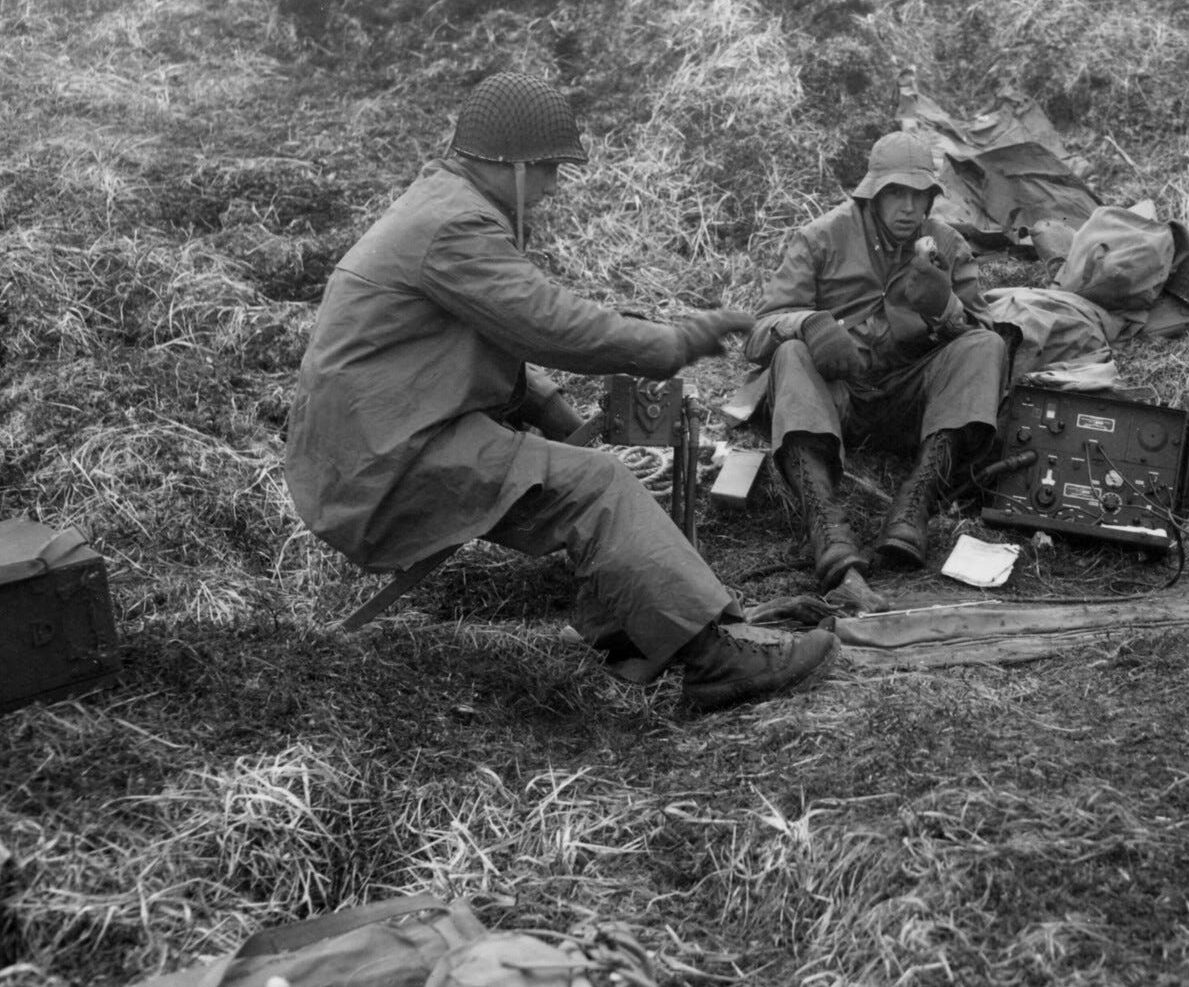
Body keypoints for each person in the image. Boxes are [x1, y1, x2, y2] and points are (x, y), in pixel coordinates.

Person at [284, 70, 838, 712]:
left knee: (584, 479)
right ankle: (713, 659)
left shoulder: (440, 207)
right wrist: (671, 343)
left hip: (379, 443)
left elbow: (488, 343)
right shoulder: (454, 227)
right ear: (512, 165)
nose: (550, 188)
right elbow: (544, 322)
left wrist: (555, 418)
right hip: (384, 464)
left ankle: (646, 630)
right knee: (597, 489)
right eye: (546, 169)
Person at [746, 131, 1009, 600]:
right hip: (837, 400)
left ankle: (915, 506)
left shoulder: (945, 243)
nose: (909, 208)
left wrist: (944, 307)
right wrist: (808, 324)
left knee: (984, 348)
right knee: (789, 353)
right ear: (874, 193)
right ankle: (825, 524)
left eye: (919, 195)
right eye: (897, 194)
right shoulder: (821, 237)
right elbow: (759, 330)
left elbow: (982, 333)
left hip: (910, 400)